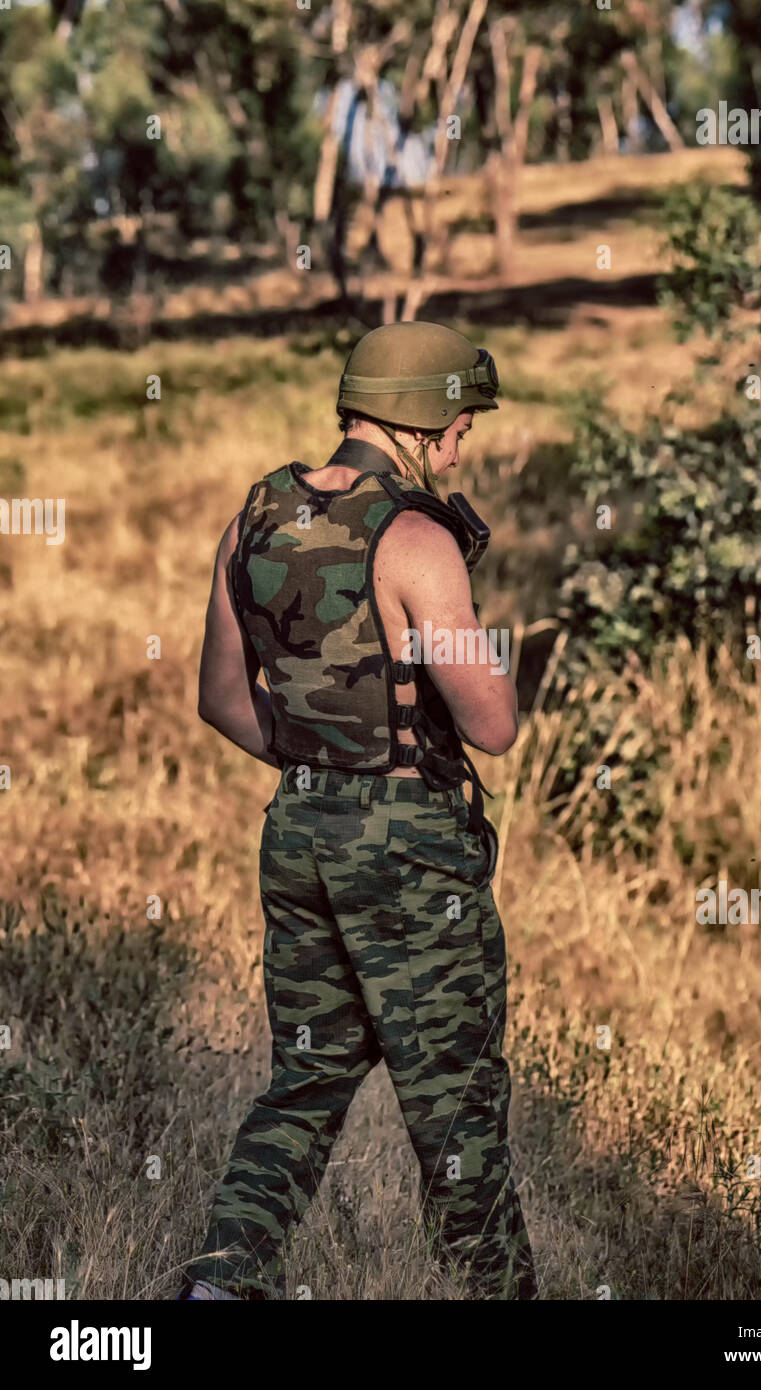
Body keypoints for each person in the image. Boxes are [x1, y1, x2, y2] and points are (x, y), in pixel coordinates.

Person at [177, 321, 537, 1301]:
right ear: (418, 423)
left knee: (304, 1083)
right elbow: (493, 724)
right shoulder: (415, 538)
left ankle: (218, 1285)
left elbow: (218, 695)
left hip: (295, 835)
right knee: (456, 1115)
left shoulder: (253, 516)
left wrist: (319, 768)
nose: (461, 449)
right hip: (411, 853)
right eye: (458, 428)